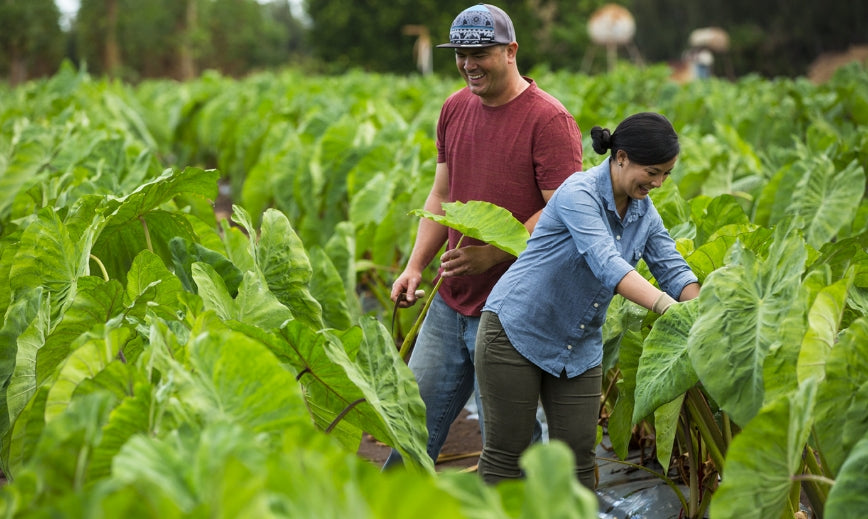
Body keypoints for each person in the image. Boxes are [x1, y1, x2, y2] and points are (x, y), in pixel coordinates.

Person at [383, 3, 584, 469]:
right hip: (450, 299)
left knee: (508, 450)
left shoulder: (549, 120)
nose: (468, 64)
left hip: (513, 308)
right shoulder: (454, 108)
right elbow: (442, 193)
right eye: (461, 54)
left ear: (511, 51)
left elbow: (563, 211)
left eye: (480, 54)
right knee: (409, 430)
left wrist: (492, 255)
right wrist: (414, 266)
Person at [475, 112, 700, 488]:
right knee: (507, 456)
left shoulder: (645, 213)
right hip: (516, 332)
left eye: (666, 174)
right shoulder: (578, 193)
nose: (659, 183)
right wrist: (670, 309)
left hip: (577, 345)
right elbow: (607, 264)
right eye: (652, 172)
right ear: (622, 157)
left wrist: (704, 310)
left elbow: (674, 269)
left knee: (579, 462)